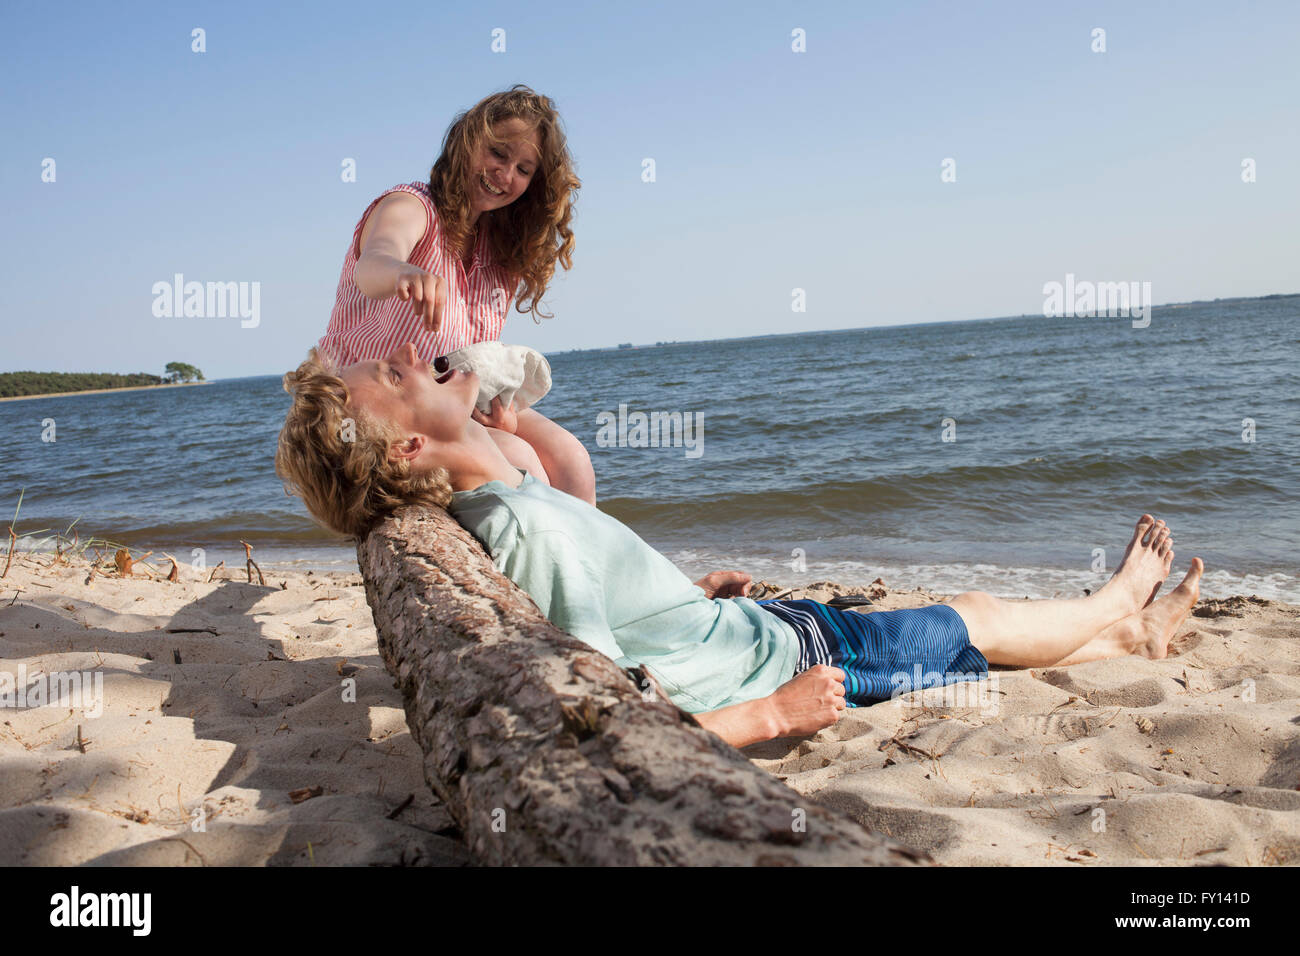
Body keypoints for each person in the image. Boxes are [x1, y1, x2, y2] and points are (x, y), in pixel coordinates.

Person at [275, 343, 1205, 749]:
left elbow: (592, 559)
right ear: (406, 445)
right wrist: (770, 719)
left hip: (745, 629)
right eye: (398, 374)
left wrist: (680, 598)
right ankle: (1118, 603)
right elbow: (607, 715)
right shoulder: (515, 526)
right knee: (974, 617)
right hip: (781, 664)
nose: (415, 358)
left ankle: (1130, 641)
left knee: (956, 653)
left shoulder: (509, 490)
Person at [317, 84, 596, 504]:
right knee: (519, 458)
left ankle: (589, 566)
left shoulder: (502, 252)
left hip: (443, 406)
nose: (506, 175)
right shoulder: (412, 207)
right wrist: (402, 272)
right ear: (469, 142)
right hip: (369, 411)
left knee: (571, 458)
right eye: (499, 154)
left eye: (524, 169)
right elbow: (373, 261)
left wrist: (499, 417)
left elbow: (468, 364)